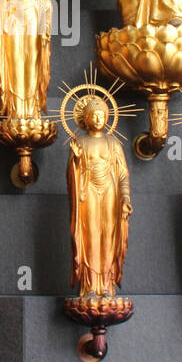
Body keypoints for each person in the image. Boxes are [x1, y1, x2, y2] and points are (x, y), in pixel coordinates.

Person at [67, 96, 132, 299]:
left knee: (109, 234)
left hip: (110, 192)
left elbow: (122, 174)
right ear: (85, 118)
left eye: (101, 115)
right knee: (91, 234)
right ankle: (90, 284)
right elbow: (71, 177)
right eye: (93, 115)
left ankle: (106, 283)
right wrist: (76, 163)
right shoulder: (80, 142)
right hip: (88, 193)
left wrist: (125, 197)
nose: (97, 119)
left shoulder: (113, 143)